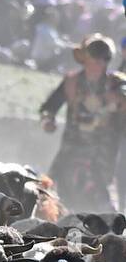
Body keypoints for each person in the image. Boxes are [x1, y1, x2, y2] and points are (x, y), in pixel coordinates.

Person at [41, 34, 126, 213]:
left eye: (104, 60)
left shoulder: (116, 84)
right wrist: (48, 120)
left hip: (102, 151)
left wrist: (115, 101)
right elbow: (49, 107)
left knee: (101, 198)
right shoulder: (71, 82)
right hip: (71, 147)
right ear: (85, 59)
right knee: (51, 191)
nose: (98, 65)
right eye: (95, 59)